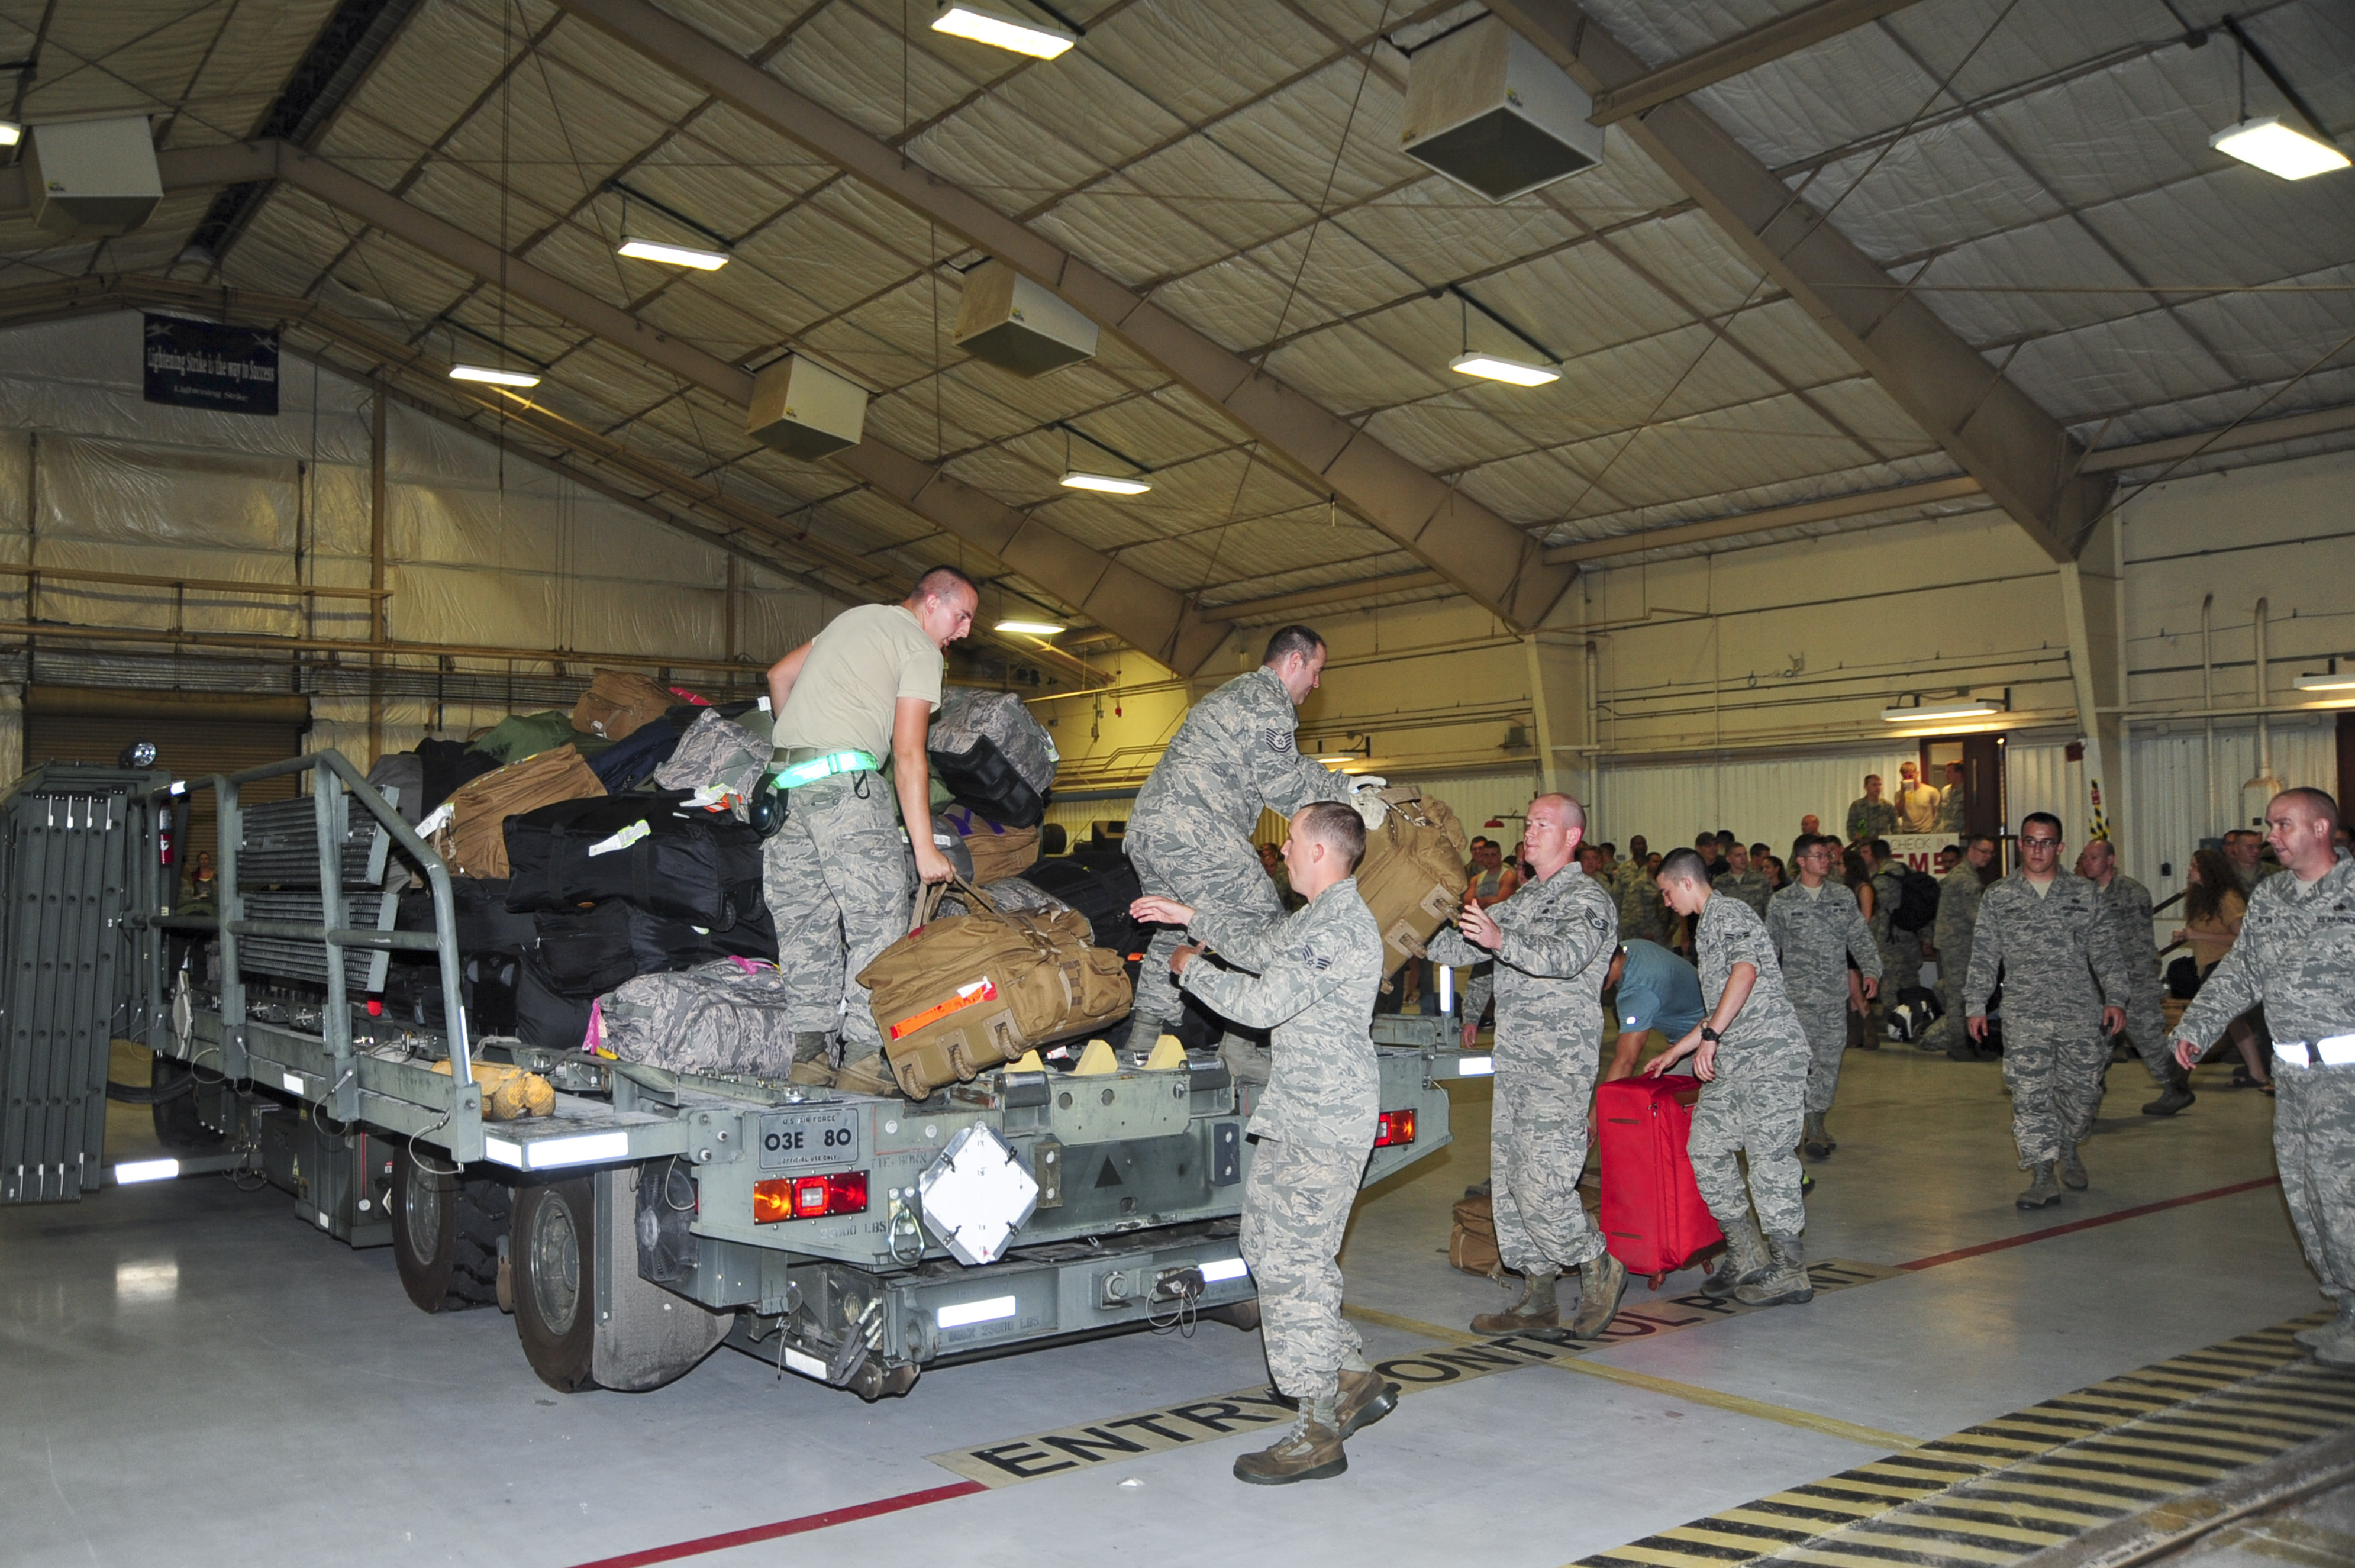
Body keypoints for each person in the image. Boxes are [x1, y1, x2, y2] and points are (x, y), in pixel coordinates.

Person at [1133, 802, 1395, 1482]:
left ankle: (1315, 1427)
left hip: (1321, 1119)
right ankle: (1348, 1373)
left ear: (1317, 850)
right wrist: (1192, 917)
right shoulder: (1315, 920)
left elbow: (1259, 1004)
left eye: (1289, 839)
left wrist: (1190, 967)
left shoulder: (1338, 924)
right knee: (1271, 1247)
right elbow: (1264, 949)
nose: (1279, 849)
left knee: (1292, 1262)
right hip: (1305, 1112)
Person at [1124, 625, 1375, 1066]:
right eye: (1316, 672)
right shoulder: (1267, 703)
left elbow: (1289, 765)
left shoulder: (1243, 696)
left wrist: (1346, 785)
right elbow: (1282, 787)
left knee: (1177, 927)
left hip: (1152, 831)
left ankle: (1145, 1036)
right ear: (1294, 661)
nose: (1318, 684)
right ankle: (1242, 1047)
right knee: (1259, 926)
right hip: (1196, 830)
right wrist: (1350, 807)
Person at [1425, 793, 1626, 1340]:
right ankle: (1538, 1298)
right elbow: (1457, 948)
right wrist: (1415, 920)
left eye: (1543, 824)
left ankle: (1598, 1262)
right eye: (1529, 823)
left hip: (1558, 1066)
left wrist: (1499, 937)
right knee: (1513, 1182)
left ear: (1572, 837)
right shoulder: (1525, 898)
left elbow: (1563, 958)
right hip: (1515, 1062)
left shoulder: (1588, 898)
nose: (1530, 832)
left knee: (1543, 1184)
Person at [764, 565, 975, 1084]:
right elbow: (907, 753)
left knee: (805, 928)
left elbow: (778, 676)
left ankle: (809, 1061)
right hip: (845, 791)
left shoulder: (853, 618)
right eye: (962, 615)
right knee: (878, 925)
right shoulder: (921, 649)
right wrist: (925, 849)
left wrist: (812, 745)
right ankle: (863, 1061)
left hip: (786, 789)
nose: (964, 632)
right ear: (931, 602)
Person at [2170, 789, 2355, 1367]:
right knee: (2304, 1197)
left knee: (2339, 1195)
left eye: (2282, 824)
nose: (2270, 835)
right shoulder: (2271, 897)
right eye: (2270, 824)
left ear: (2320, 828)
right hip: (2292, 1075)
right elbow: (2241, 970)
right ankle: (2347, 1309)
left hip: (2346, 1076)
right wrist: (2196, 1026)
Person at [1646, 850, 1815, 1307]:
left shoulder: (1729, 912)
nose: (1665, 903)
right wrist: (1676, 1050)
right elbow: (1721, 1004)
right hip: (1734, 1063)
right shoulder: (1705, 927)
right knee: (1705, 1147)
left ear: (1685, 883)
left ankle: (1790, 1270)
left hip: (1770, 1059)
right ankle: (1747, 1253)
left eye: (1666, 892)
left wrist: (1712, 1037)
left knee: (1769, 1160)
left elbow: (1746, 971)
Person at [1964, 812, 2130, 1209]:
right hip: (2024, 1014)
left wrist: (2115, 998)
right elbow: (1985, 955)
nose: (2038, 850)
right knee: (2030, 1096)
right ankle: (2042, 1173)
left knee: (2084, 1094)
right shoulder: (2000, 896)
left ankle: (2069, 1143)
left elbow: (2106, 951)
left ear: (2059, 847)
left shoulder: (2085, 895)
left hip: (2078, 1012)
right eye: (2030, 842)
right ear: (2021, 845)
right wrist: (1976, 1004)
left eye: (2046, 842)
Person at [1767, 834, 1881, 1160]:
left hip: (1833, 997)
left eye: (1829, 856)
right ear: (1802, 861)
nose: (1827, 861)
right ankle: (1800, 1124)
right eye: (1819, 856)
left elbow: (1859, 936)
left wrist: (1871, 970)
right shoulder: (1783, 902)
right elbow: (1769, 950)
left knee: (1829, 1061)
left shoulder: (1842, 897)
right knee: (1799, 1063)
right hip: (1796, 999)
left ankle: (1817, 1122)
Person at [2076, 838, 2180, 1114]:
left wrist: (2129, 985)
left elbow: (2136, 944)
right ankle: (2089, 1094)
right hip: (2098, 982)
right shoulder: (2084, 893)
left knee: (2148, 1037)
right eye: (2085, 858)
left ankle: (2177, 1087)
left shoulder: (2131, 893)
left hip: (2133, 980)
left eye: (2094, 858)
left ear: (2110, 860)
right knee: (2095, 1039)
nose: (2088, 863)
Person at [2173, 848, 2270, 1092]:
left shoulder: (2228, 898)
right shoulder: (2201, 898)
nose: (2190, 870)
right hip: (2208, 965)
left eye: (2194, 866)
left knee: (2207, 1022)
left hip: (2225, 966)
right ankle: (2257, 1073)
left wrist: (2196, 935)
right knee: (2236, 1024)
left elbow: (2241, 937)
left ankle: (2177, 1083)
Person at [1601, 938, 1705, 1082]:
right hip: (1696, 1031)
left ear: (1611, 962)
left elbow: (1625, 1062)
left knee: (1667, 1096)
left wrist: (1602, 1104)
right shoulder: (1630, 947)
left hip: (1709, 1040)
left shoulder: (1638, 991)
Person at [1933, 836, 1995, 1060]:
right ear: (1971, 850)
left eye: (1990, 853)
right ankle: (1959, 1045)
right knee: (1960, 996)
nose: (1987, 856)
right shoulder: (1966, 879)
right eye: (1983, 851)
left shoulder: (1962, 875)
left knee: (1964, 996)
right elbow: (1977, 917)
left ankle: (1969, 1043)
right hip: (1959, 946)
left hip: (1956, 944)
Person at [1459, 838, 1521, 1046]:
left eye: (1494, 854)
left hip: (1504, 936)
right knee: (1481, 978)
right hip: (1482, 937)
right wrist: (1487, 902)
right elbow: (1468, 902)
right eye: (1486, 855)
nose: (1490, 859)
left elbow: (1503, 900)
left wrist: (1484, 903)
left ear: (1500, 855)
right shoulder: (1478, 878)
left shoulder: (1508, 875)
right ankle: (1480, 1016)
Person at [1864, 838, 1923, 1027]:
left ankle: (1894, 1022)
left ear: (1873, 854)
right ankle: (1915, 1017)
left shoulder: (1881, 878)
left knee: (1889, 980)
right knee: (1910, 978)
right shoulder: (1906, 871)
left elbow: (1880, 912)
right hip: (1910, 935)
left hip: (1890, 937)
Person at [1618, 833, 1670, 944]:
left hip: (1655, 925)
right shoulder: (1623, 869)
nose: (1640, 847)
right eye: (1637, 844)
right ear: (1631, 848)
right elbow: (1617, 897)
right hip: (1630, 924)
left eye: (1643, 844)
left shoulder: (1656, 873)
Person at [1715, 840, 1771, 918]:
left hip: (1756, 927)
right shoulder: (1719, 882)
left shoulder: (1760, 879)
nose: (1744, 858)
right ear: (1729, 859)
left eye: (1745, 854)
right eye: (1739, 855)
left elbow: (1770, 908)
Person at [2224, 828, 2281, 896]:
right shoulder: (2226, 874)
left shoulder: (2275, 872)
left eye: (2259, 847)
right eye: (2250, 847)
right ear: (2236, 848)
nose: (2256, 851)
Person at [1846, 775, 1896, 846]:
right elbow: (1851, 826)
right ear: (1866, 787)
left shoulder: (1887, 806)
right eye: (1874, 785)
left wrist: (1895, 840)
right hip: (1864, 846)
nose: (1878, 788)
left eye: (1880, 785)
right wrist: (1855, 836)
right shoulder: (1857, 806)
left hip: (1882, 846)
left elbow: (1896, 826)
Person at [1893, 760, 1941, 834]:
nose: (1908, 779)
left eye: (1911, 776)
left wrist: (1935, 831)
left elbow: (1938, 813)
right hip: (1907, 832)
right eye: (1905, 777)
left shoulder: (1931, 791)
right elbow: (1899, 814)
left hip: (1926, 832)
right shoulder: (1899, 794)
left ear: (1917, 774)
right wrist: (1903, 793)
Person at [1934, 761, 1968, 834]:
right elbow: (1939, 813)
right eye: (1946, 772)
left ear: (1959, 774)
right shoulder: (1945, 791)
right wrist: (1934, 832)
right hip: (1943, 834)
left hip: (1959, 835)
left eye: (1949, 772)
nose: (1946, 775)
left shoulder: (1967, 792)